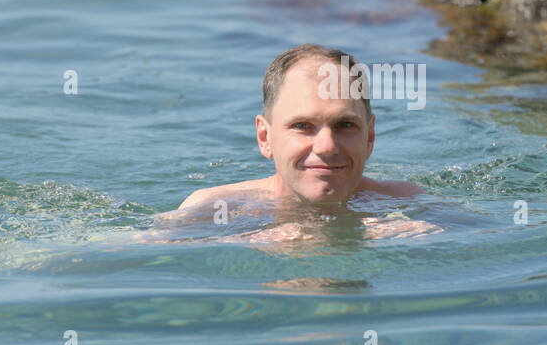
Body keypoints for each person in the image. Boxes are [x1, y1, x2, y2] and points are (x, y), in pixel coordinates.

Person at [164, 44, 438, 244]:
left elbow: (479, 233)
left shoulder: (405, 202)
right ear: (265, 137)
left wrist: (430, 237)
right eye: (302, 126)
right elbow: (129, 249)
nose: (327, 146)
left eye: (345, 125)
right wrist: (239, 241)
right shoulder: (215, 209)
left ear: (369, 137)